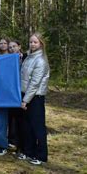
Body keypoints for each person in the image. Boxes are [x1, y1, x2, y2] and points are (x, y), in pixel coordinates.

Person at [19, 33, 50, 165]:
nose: (32, 44)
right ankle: (28, 151)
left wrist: (25, 100)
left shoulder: (41, 61)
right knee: (27, 127)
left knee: (37, 127)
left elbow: (34, 83)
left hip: (35, 98)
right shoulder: (28, 57)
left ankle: (41, 155)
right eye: (31, 42)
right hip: (25, 95)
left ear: (41, 44)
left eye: (35, 42)